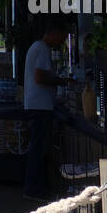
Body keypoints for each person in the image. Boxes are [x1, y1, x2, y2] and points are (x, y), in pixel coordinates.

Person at [23, 20, 70, 200]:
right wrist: (61, 81)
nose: (62, 42)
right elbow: (39, 77)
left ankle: (34, 187)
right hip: (40, 106)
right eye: (62, 38)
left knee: (36, 147)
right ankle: (34, 189)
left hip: (35, 104)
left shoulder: (36, 47)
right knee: (39, 148)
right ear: (54, 34)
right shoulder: (42, 48)